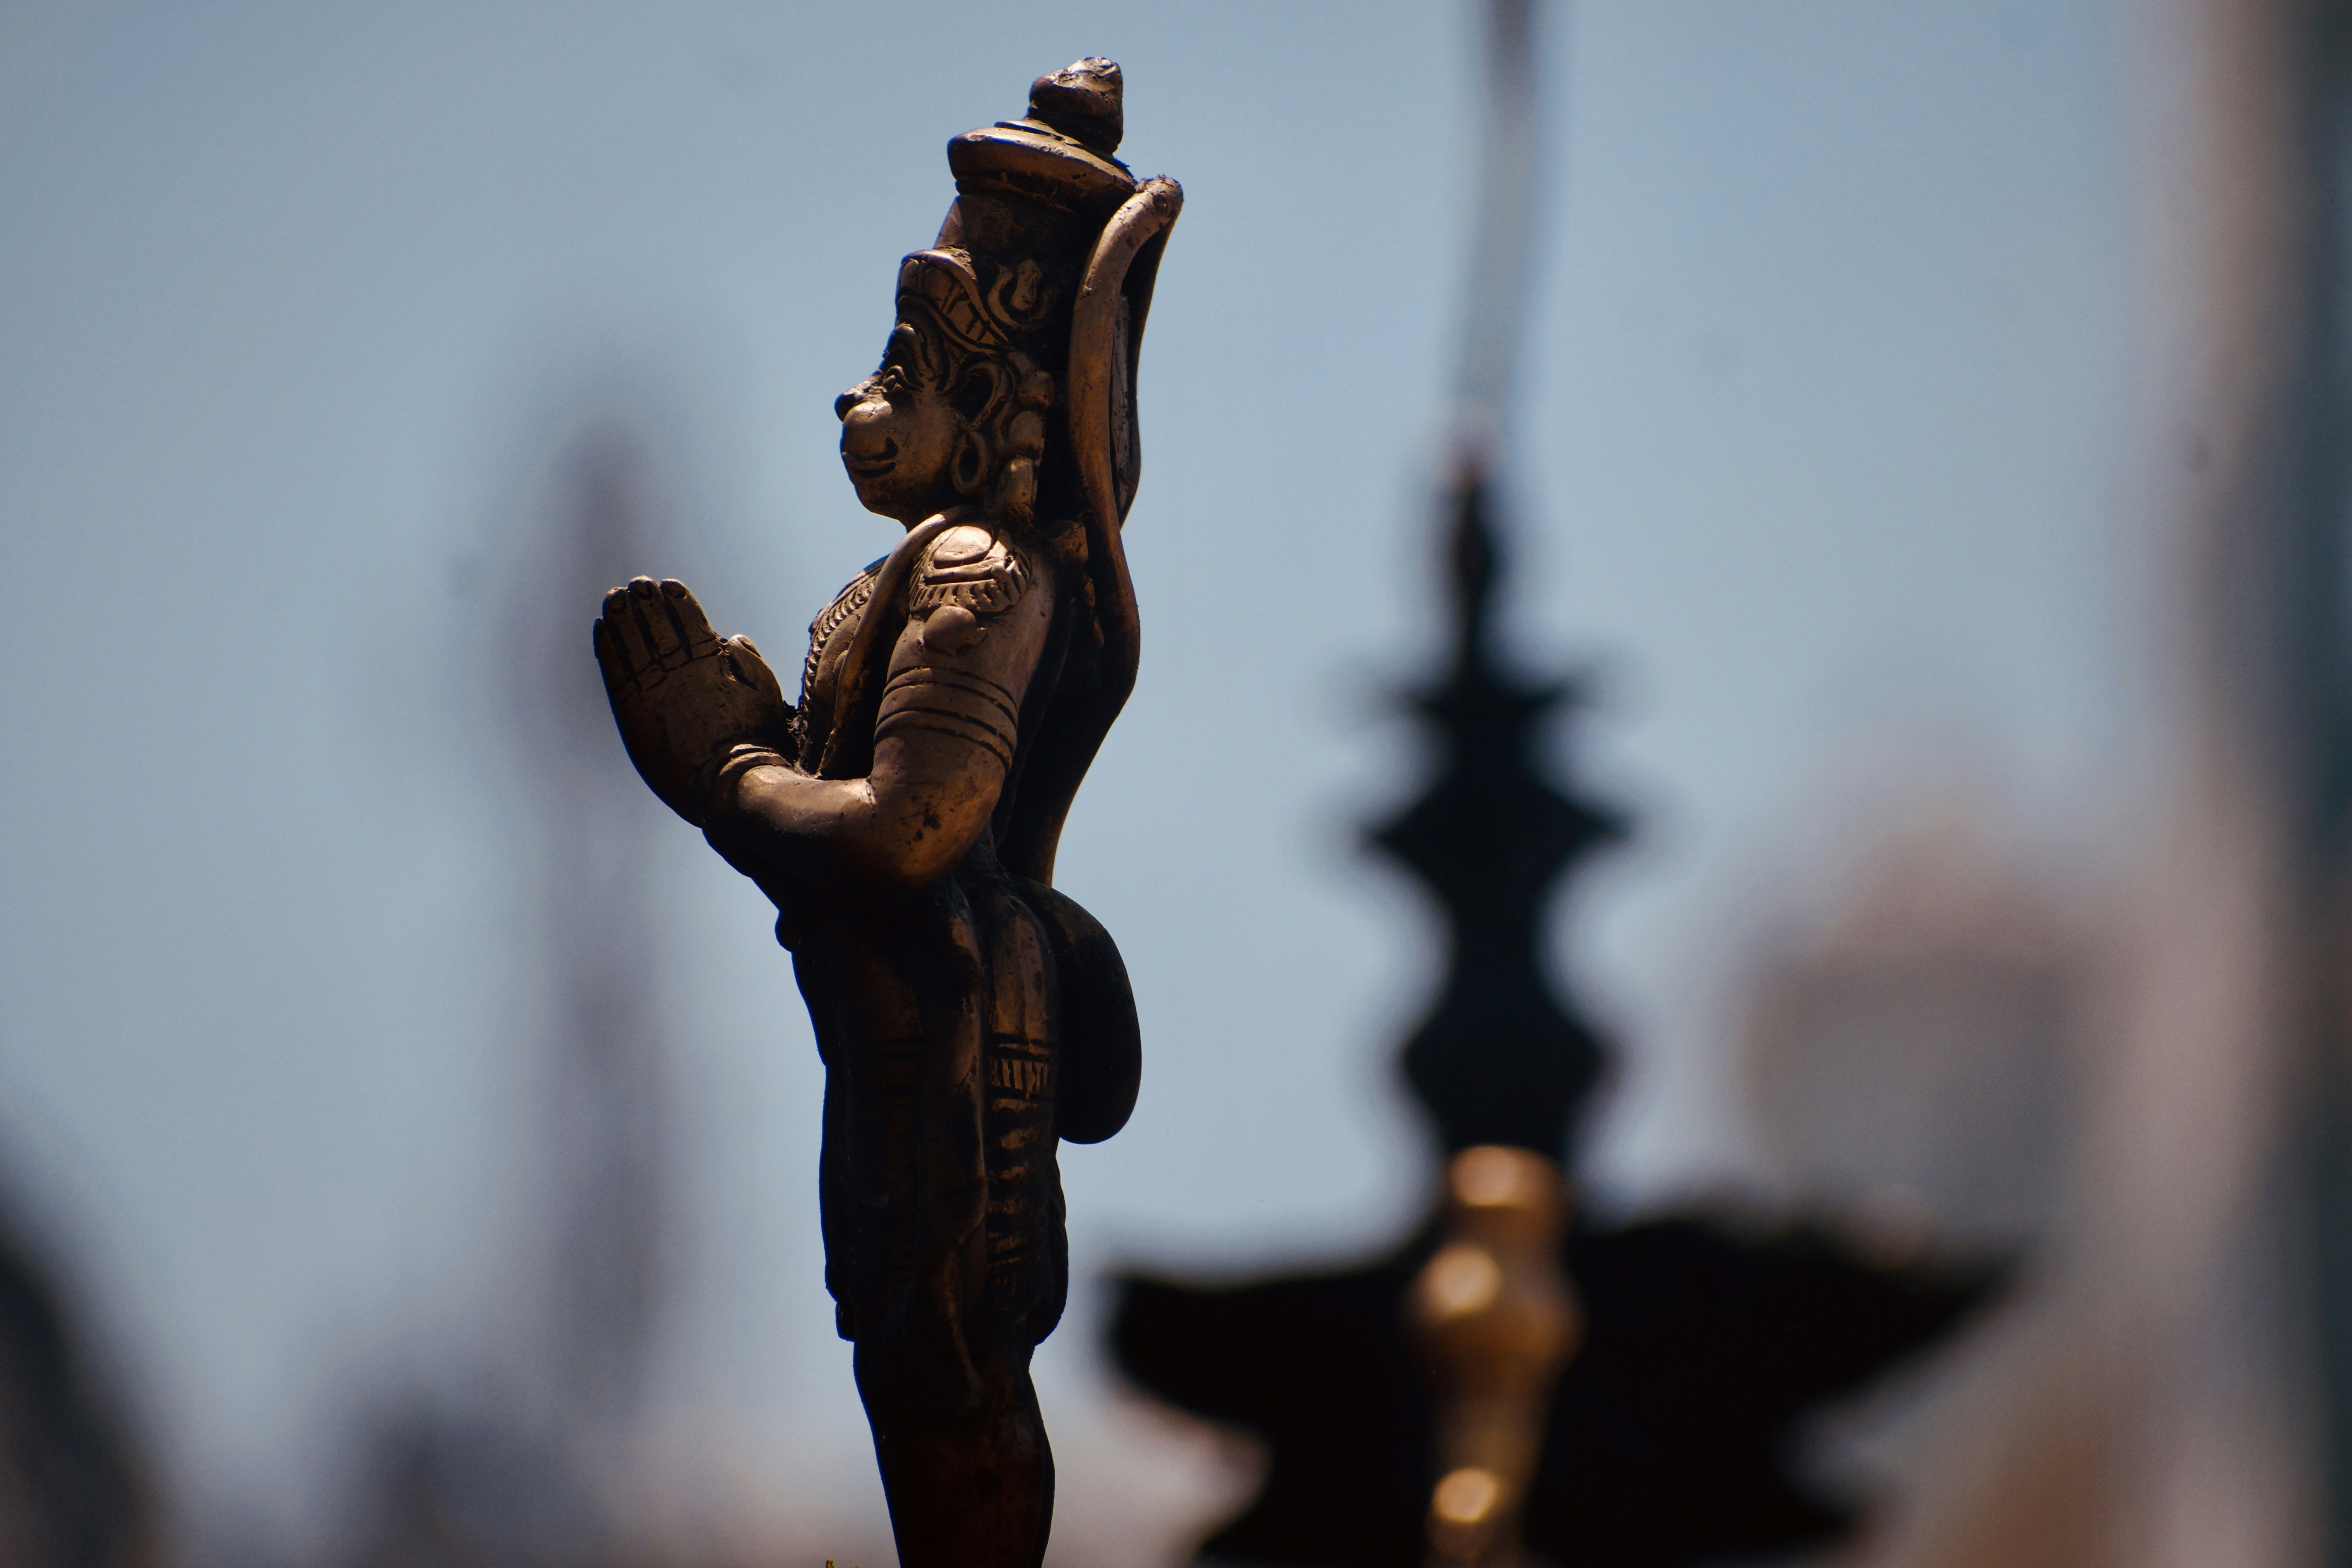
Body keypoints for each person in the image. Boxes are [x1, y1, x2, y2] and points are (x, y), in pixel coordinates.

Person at [591, 60, 1178, 1568]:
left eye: (908, 371)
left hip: (953, 1025)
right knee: (914, 1362)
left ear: (994, 398)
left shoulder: (983, 570)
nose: (864, 403)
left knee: (944, 1364)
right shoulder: (928, 572)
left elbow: (910, 831)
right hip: (905, 1020)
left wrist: (726, 774)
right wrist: (762, 744)